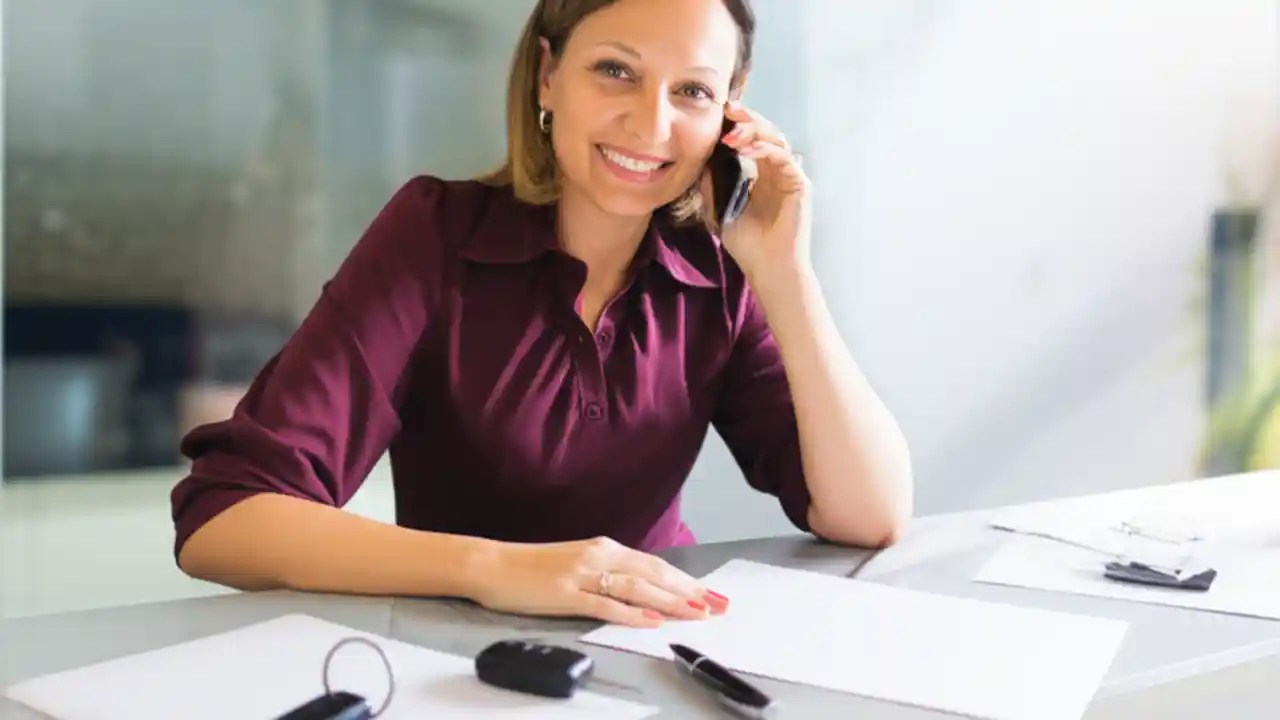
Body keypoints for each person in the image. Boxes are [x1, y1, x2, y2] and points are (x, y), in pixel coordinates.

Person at [171, 0, 913, 629]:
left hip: (663, 649)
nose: (650, 123)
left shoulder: (720, 269)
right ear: (548, 73)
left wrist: (786, 275)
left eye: (691, 91)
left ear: (730, 107)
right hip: (460, 660)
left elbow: (869, 516)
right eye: (616, 70)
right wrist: (492, 568)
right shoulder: (435, 236)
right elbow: (224, 518)